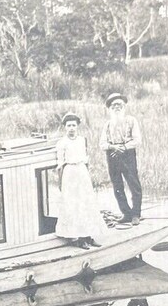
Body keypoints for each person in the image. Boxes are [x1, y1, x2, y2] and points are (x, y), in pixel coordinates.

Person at [54, 112, 106, 249]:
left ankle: (89, 236)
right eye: (68, 125)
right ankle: (80, 239)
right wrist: (61, 184)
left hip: (82, 172)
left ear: (77, 127)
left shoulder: (82, 140)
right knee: (74, 205)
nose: (71, 128)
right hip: (70, 174)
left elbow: (86, 160)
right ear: (65, 127)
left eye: (74, 125)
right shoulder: (61, 143)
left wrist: (87, 177)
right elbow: (60, 165)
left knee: (87, 203)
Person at [99, 92, 143, 225]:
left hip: (127, 155)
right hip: (112, 155)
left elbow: (137, 140)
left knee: (133, 184)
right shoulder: (107, 124)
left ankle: (136, 214)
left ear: (124, 106)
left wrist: (123, 147)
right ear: (110, 108)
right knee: (117, 185)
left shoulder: (131, 120)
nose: (116, 107)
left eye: (119, 104)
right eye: (113, 105)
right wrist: (113, 147)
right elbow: (102, 144)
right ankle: (126, 213)